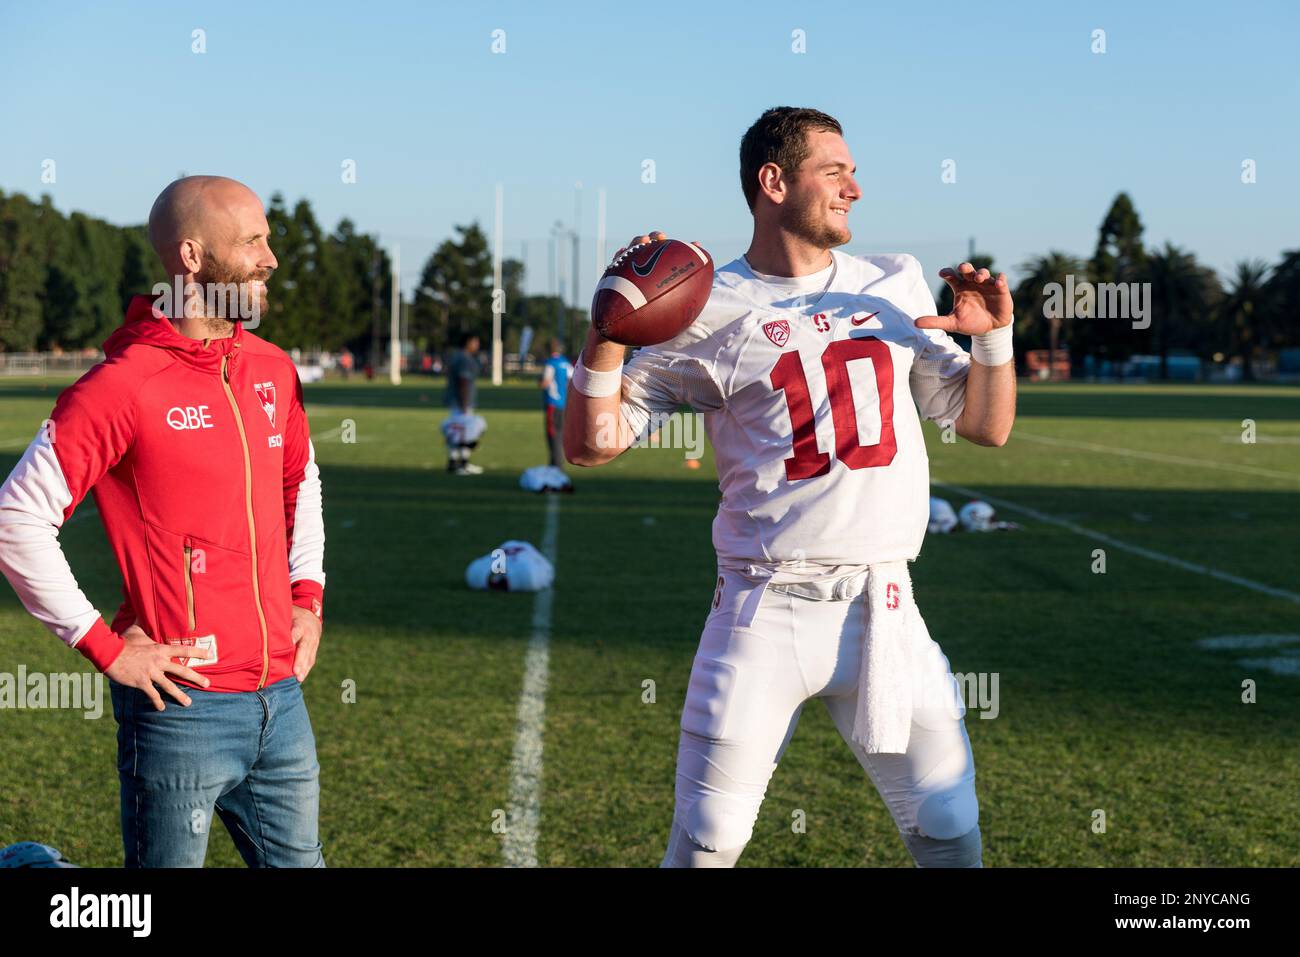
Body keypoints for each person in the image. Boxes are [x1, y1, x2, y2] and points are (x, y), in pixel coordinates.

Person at [564, 107, 1016, 868]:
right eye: (834, 172)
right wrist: (605, 333)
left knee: (950, 827)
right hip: (761, 609)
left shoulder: (894, 280)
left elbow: (984, 426)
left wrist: (995, 340)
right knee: (709, 842)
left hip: (885, 607)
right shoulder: (704, 308)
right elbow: (587, 445)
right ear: (774, 182)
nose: (855, 189)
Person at [0, 175, 327, 868]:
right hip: (184, 710)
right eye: (252, 242)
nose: (271, 258)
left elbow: (301, 480)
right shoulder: (123, 384)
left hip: (282, 702)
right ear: (190, 256)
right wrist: (108, 649)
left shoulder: (271, 367)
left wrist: (307, 597)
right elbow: (17, 518)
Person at [442, 331, 486, 474]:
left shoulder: (458, 357)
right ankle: (458, 464)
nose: (477, 345)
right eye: (475, 341)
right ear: (468, 342)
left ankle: (458, 462)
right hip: (461, 403)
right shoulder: (464, 359)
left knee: (458, 432)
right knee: (464, 432)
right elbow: (463, 382)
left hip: (458, 401)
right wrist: (465, 403)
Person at [538, 339, 573, 469]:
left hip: (552, 404)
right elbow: (573, 380)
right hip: (563, 404)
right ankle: (558, 463)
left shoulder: (550, 364)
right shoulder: (565, 363)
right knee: (561, 433)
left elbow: (545, 383)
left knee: (553, 435)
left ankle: (555, 465)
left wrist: (539, 383)